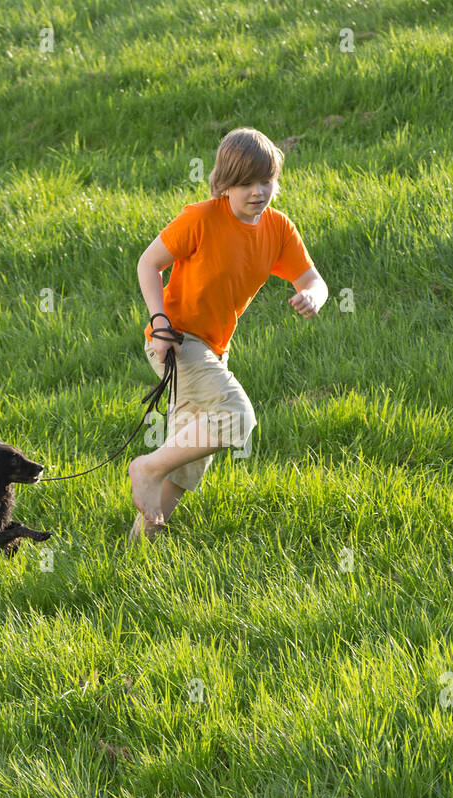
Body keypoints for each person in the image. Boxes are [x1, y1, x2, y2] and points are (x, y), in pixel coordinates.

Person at [128, 127, 328, 542]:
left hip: (213, 350)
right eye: (245, 183)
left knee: (183, 465)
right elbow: (148, 264)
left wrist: (312, 296)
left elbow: (313, 279)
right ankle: (145, 467)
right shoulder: (201, 218)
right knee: (237, 416)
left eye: (265, 181)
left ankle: (136, 551)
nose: (257, 191)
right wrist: (159, 324)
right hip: (177, 341)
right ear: (224, 183)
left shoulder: (278, 228)